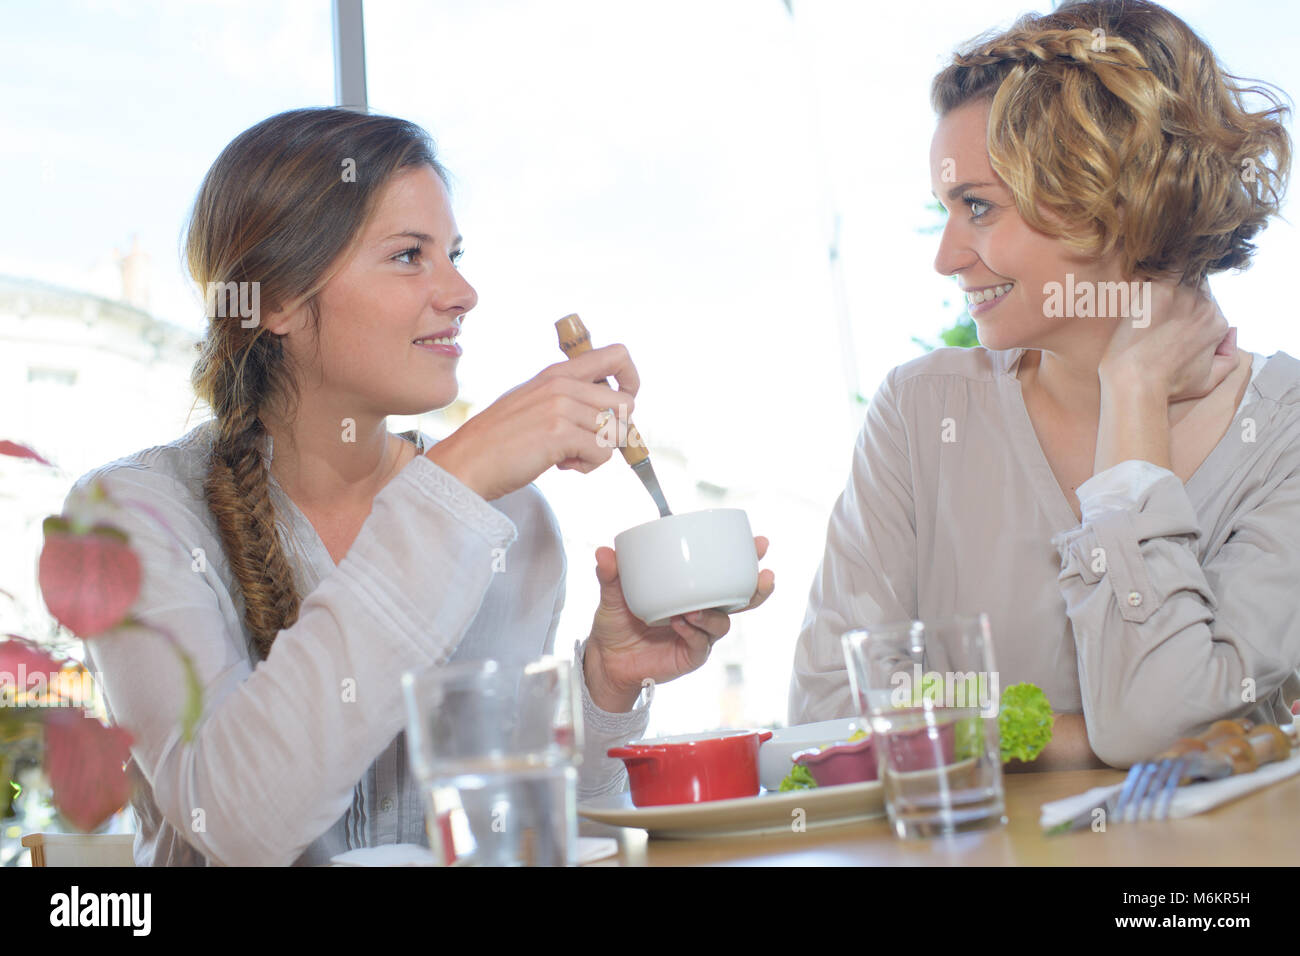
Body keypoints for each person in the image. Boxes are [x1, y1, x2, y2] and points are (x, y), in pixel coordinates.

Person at [65, 107, 774, 865]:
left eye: (455, 253)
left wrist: (605, 690)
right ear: (271, 300)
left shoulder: (514, 524)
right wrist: (453, 479)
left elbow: (533, 839)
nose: (462, 291)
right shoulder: (132, 520)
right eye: (410, 255)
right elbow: (240, 819)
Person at [789, 0, 1299, 770]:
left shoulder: (1284, 436)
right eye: (946, 212)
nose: (948, 256)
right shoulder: (920, 413)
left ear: (1114, 198)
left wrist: (1134, 393)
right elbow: (830, 713)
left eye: (979, 208)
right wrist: (1078, 740)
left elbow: (1157, 729)